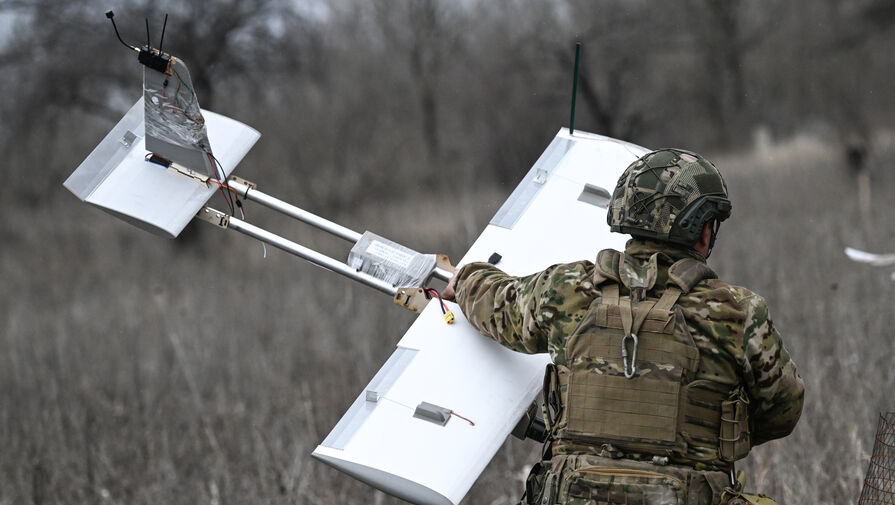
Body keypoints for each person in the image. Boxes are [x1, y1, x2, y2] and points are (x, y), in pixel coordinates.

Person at [443, 148, 804, 505]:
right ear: (704, 231)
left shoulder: (566, 289)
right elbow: (782, 411)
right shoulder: (737, 312)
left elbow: (497, 305)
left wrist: (465, 279)